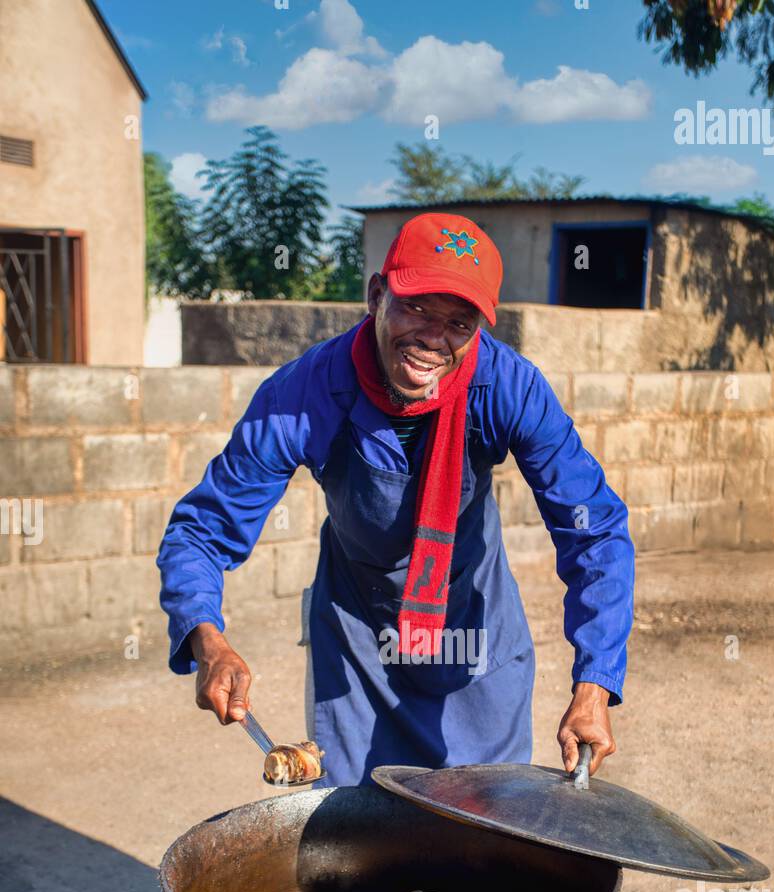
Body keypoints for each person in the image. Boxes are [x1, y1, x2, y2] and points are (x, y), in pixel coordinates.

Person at [157, 212, 634, 787]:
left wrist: (594, 684)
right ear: (377, 295)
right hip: (360, 642)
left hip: (473, 631)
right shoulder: (303, 394)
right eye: (418, 309)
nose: (434, 339)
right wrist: (206, 638)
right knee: (363, 838)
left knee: (482, 829)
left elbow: (594, 530)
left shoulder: (509, 387)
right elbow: (202, 529)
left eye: (458, 323)